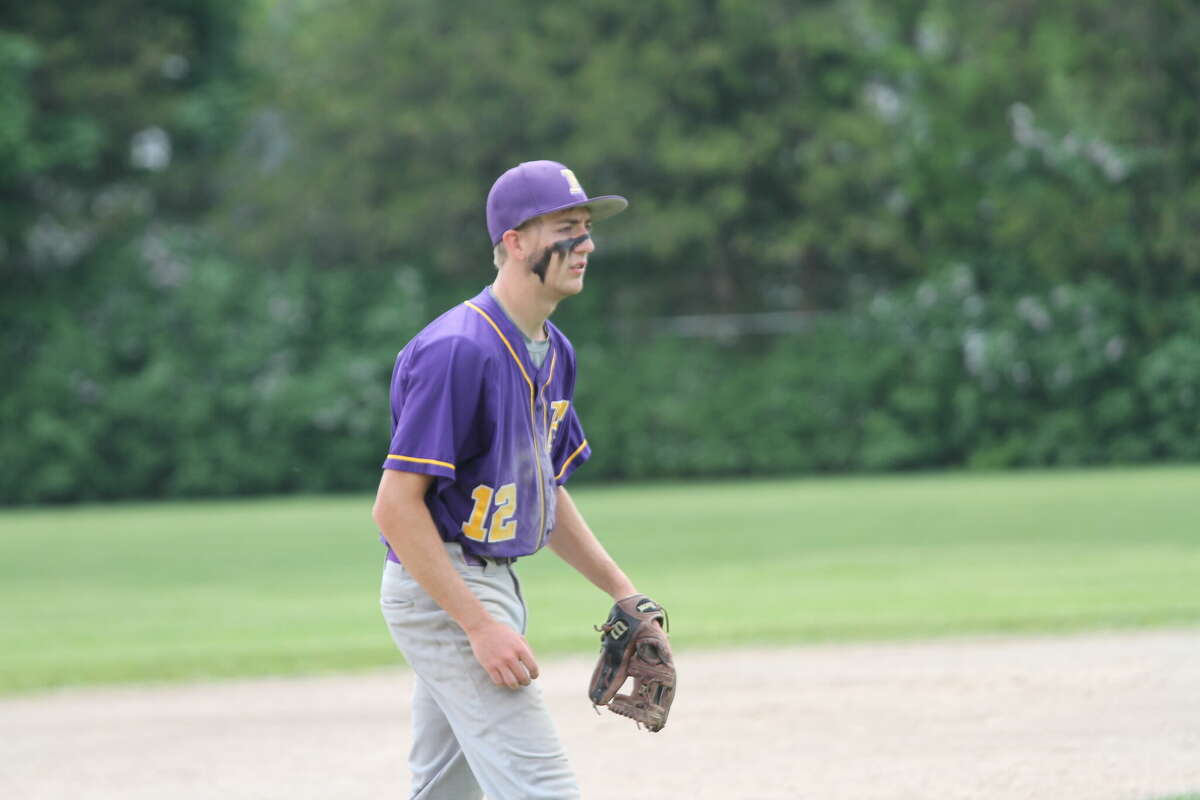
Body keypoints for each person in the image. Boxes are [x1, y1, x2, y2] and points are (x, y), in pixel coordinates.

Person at [372, 160, 644, 799]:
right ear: (515, 242)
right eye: (567, 227)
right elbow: (395, 508)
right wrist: (476, 625)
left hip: (485, 586)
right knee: (542, 788)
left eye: (586, 227)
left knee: (446, 790)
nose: (587, 244)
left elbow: (542, 490)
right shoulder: (458, 350)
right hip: (442, 585)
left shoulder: (554, 350)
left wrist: (623, 591)